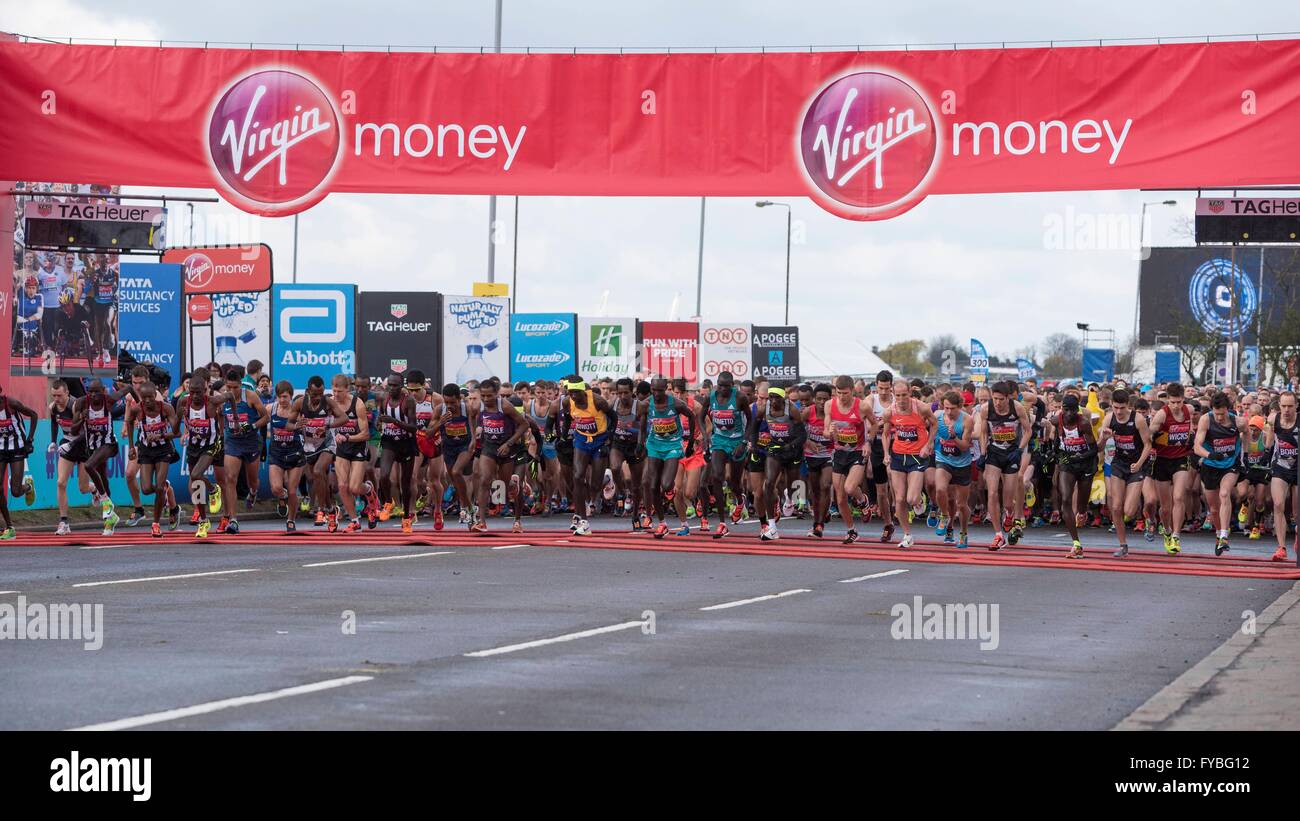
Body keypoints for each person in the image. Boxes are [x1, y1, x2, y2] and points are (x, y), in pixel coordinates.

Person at [549, 379, 613, 536]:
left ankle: (606, 479)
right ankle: (582, 520)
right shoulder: (567, 402)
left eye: (575, 393)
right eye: (569, 393)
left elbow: (614, 418)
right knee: (577, 477)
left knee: (595, 486)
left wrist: (608, 440)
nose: (572, 396)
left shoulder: (598, 401)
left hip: (599, 440)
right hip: (581, 440)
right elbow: (568, 420)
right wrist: (563, 438)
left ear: (583, 392)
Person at [637, 378, 700, 538]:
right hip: (654, 445)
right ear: (651, 389)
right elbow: (643, 424)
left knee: (666, 485)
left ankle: (675, 497)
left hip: (672, 445)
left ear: (666, 389)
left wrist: (691, 442)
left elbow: (692, 417)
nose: (657, 394)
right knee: (652, 486)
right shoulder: (645, 404)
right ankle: (662, 523)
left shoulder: (676, 404)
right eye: (654, 390)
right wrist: (640, 443)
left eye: (660, 390)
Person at [70, 377, 133, 535]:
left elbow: (129, 388)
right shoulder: (81, 403)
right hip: (92, 446)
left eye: (96, 392)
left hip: (109, 444)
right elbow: (73, 430)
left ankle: (105, 501)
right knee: (103, 480)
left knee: (88, 466)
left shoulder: (110, 400)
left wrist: (139, 405)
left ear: (103, 392)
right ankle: (110, 520)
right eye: (90, 392)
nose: (93, 395)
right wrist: (82, 418)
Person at [975, 381, 1032, 549]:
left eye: (1001, 399)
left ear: (1008, 397)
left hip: (1011, 454)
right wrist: (983, 453)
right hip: (994, 453)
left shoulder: (1017, 408)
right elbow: (984, 432)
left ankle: (1009, 513)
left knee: (1008, 500)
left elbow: (1028, 431)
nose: (998, 403)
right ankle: (998, 535)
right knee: (991, 493)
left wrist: (1020, 450)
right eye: (995, 399)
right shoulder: (986, 408)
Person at [880, 378, 936, 549]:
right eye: (898, 396)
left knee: (911, 498)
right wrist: (886, 453)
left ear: (910, 393)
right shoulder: (889, 412)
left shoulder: (921, 408)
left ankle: (919, 500)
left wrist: (928, 444)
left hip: (917, 456)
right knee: (899, 498)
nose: (902, 399)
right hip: (898, 455)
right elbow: (886, 434)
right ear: (893, 395)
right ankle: (907, 534)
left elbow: (934, 424)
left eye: (904, 395)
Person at [1098, 388, 1152, 557]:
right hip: (1119, 464)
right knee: (1115, 506)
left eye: (1122, 408)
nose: (1119, 411)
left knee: (1129, 511)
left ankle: (1148, 517)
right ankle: (1123, 545)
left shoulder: (1138, 419)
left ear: (1128, 406)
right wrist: (1104, 438)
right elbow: (1099, 448)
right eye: (1115, 407)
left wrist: (1140, 463)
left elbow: (1148, 445)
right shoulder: (1108, 419)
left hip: (1136, 464)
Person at [470, 378, 529, 534]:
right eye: (483, 396)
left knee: (506, 485)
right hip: (489, 447)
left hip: (507, 448)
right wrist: (476, 431)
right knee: (484, 480)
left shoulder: (505, 406)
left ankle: (517, 520)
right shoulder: (478, 405)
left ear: (496, 394)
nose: (486, 399)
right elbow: (471, 419)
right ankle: (481, 522)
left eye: (489, 396)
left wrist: (509, 443)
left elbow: (524, 425)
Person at [216, 365, 269, 534]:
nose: (232, 391)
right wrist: (222, 433)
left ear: (241, 385)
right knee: (230, 478)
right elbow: (219, 416)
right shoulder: (223, 399)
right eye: (228, 387)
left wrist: (252, 426)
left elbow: (266, 417)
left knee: (252, 481)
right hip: (233, 442)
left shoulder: (250, 396)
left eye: (235, 387)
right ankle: (233, 520)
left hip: (251, 442)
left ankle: (253, 492)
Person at [122, 382, 181, 537]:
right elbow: (128, 422)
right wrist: (131, 447)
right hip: (146, 450)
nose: (147, 400)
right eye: (144, 397)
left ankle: (155, 524)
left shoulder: (165, 408)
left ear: (156, 396)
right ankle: (165, 491)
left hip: (163, 450)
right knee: (147, 489)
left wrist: (160, 435)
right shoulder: (137, 409)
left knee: (159, 488)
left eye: (150, 397)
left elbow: (177, 433)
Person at [294, 376, 350, 531]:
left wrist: (328, 425)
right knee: (317, 478)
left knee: (319, 471)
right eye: (314, 394)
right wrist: (297, 425)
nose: (318, 398)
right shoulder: (299, 403)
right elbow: (288, 424)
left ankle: (322, 510)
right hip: (310, 446)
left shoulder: (328, 402)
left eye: (320, 394)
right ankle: (332, 509)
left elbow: (344, 418)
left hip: (327, 443)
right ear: (307, 392)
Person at [1194, 392, 1246, 556]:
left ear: (1228, 410)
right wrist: (1209, 455)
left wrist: (1247, 456)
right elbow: (1197, 447)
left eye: (1222, 414)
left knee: (1225, 494)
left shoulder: (1239, 421)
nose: (1219, 417)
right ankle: (1219, 535)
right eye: (1216, 413)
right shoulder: (1206, 419)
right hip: (1210, 465)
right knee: (1214, 509)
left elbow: (1248, 441)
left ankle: (1224, 535)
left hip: (1230, 464)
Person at [701, 371, 751, 537]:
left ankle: (740, 498)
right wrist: (706, 438)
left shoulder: (740, 398)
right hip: (719, 441)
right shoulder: (711, 397)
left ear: (732, 386)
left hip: (737, 442)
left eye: (726, 386)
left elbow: (751, 421)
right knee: (716, 476)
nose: (723, 389)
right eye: (720, 385)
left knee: (733, 483)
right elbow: (701, 418)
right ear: (717, 384)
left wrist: (744, 442)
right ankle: (722, 523)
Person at [751, 387, 805, 541]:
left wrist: (790, 446)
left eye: (776, 398)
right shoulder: (763, 409)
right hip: (775, 449)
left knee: (794, 486)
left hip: (792, 449)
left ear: (784, 399)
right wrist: (754, 446)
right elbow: (754, 428)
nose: (773, 401)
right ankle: (772, 528)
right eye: (770, 398)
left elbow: (802, 435)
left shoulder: (793, 410)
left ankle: (789, 497)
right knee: (768, 484)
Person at [827, 374, 874, 544]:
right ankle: (851, 530)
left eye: (845, 393)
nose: (841, 396)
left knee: (849, 488)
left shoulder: (862, 406)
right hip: (840, 453)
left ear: (852, 391)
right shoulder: (829, 406)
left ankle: (862, 500)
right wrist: (830, 432)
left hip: (858, 451)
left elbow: (874, 424)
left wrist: (868, 442)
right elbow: (826, 432)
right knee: (840, 498)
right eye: (839, 392)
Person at [1148, 382, 1195, 555]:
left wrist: (1190, 436)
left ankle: (1176, 535)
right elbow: (1147, 435)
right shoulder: (1162, 415)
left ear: (1184, 399)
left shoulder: (1188, 410)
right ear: (1168, 400)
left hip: (1180, 459)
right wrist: (1154, 436)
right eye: (1173, 402)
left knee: (1179, 497)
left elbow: (1192, 428)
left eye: (1179, 402)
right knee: (1165, 507)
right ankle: (1167, 530)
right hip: (1162, 461)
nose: (1176, 406)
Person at [178, 375, 227, 539]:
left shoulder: (212, 402)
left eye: (198, 393)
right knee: (197, 483)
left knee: (195, 476)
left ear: (205, 391)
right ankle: (203, 521)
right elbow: (176, 421)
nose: (195, 396)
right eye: (192, 392)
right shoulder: (184, 402)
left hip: (211, 445)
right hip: (193, 446)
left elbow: (231, 397)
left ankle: (214, 489)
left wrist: (231, 414)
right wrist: (182, 429)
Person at [330, 374, 378, 532]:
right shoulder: (330, 402)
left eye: (340, 391)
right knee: (343, 486)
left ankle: (369, 490)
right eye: (334, 391)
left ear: (347, 389)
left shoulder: (357, 404)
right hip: (341, 448)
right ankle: (355, 521)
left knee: (355, 487)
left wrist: (348, 437)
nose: (336, 395)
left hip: (357, 445)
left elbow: (366, 434)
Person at [1055, 394, 1099, 558]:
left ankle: (1082, 512)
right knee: (1066, 499)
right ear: (1062, 409)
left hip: (1086, 463)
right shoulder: (1056, 420)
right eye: (1066, 410)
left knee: (1081, 506)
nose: (1069, 414)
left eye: (1073, 410)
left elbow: (1094, 449)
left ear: (1077, 410)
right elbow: (1056, 443)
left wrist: (1080, 456)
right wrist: (1061, 458)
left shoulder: (1084, 424)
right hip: (1068, 463)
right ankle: (1076, 543)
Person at [376, 375, 419, 533]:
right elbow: (380, 419)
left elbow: (414, 428)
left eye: (395, 385)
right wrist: (379, 422)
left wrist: (394, 421)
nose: (392, 388)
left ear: (402, 386)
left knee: (405, 483)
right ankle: (388, 502)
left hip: (406, 442)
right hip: (389, 441)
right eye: (390, 385)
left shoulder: (408, 401)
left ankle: (407, 517)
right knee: (384, 475)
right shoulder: (383, 398)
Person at [933, 390, 974, 547]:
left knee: (961, 505)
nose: (949, 412)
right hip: (943, 459)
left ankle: (963, 532)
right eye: (946, 408)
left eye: (952, 408)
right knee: (940, 490)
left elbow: (964, 446)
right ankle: (944, 516)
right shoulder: (938, 416)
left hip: (962, 464)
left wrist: (953, 437)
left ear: (960, 407)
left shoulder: (967, 420)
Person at [268, 380, 307, 532]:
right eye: (280, 397)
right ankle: (283, 497)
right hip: (277, 453)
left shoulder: (298, 412)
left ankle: (291, 520)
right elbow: (263, 421)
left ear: (291, 396)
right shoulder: (270, 409)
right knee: (276, 488)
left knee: (292, 490)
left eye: (285, 397)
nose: (283, 400)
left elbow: (306, 432)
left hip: (295, 453)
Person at [608, 378, 647, 531]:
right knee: (615, 467)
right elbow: (607, 421)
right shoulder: (613, 404)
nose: (623, 396)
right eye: (620, 393)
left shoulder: (640, 407)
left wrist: (639, 443)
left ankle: (636, 515)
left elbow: (644, 429)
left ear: (632, 392)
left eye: (626, 393)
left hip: (635, 445)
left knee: (637, 486)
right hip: (618, 443)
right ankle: (621, 492)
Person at [0, 383, 38, 539]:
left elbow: (34, 415)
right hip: (1, 448)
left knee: (15, 492)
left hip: (17, 447)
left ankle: (28, 487)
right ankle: (9, 527)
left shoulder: (11, 403)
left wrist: (29, 439)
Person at [1265, 391, 1299, 562]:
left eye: (1290, 406)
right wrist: (1266, 451)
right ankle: (1281, 547)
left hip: (1298, 467)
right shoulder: (1273, 419)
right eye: (1284, 406)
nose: (1286, 410)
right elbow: (1270, 438)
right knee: (1278, 504)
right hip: (1281, 466)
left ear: (1296, 406)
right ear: (1279, 405)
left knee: (1296, 510)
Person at [802, 383, 834, 538]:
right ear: (814, 399)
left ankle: (819, 525)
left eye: (825, 399)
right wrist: (808, 442)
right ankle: (818, 518)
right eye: (819, 399)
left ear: (830, 399)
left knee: (826, 485)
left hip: (829, 454)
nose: (822, 402)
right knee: (814, 491)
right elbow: (797, 429)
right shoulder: (808, 412)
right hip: (811, 455)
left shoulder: (834, 413)